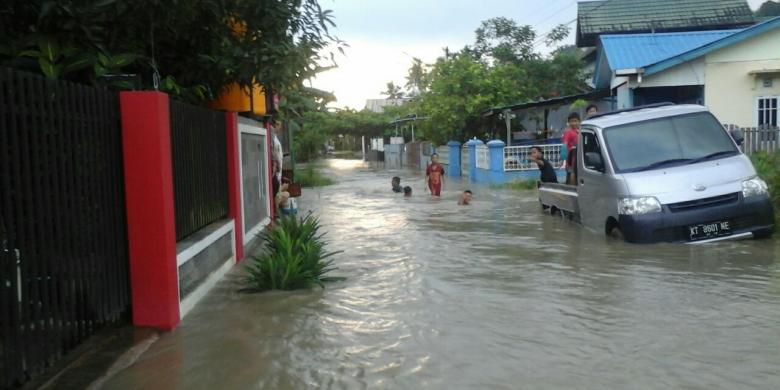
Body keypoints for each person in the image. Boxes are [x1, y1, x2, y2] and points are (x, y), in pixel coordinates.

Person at [561, 112, 581, 185]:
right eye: (571, 121)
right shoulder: (568, 132)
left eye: (575, 121)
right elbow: (564, 145)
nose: (573, 123)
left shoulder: (579, 132)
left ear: (579, 121)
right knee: (571, 180)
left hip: (579, 160)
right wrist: (563, 159)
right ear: (568, 123)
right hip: (571, 160)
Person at [271, 119, 283, 197]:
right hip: (276, 166)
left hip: (278, 166)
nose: (279, 127)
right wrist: (276, 163)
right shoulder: (272, 136)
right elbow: (273, 151)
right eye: (278, 125)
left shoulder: (275, 137)